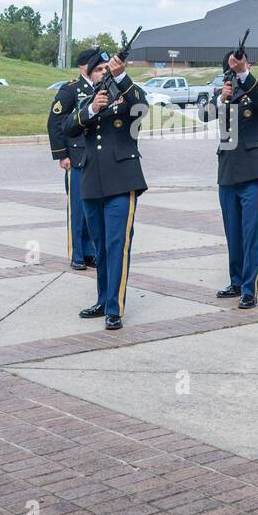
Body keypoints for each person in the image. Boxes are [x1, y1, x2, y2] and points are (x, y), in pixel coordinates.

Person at [62, 49, 148, 330]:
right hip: (91, 182)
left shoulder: (128, 97)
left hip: (122, 181)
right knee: (100, 247)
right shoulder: (89, 101)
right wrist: (91, 109)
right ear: (90, 74)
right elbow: (68, 128)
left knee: (116, 245)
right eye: (97, 69)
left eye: (105, 69)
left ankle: (115, 307)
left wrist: (121, 76)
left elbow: (142, 107)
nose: (102, 73)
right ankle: (102, 299)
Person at [206, 49, 258, 308]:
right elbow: (204, 115)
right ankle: (235, 281)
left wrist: (244, 73)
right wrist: (221, 101)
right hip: (227, 171)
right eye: (232, 70)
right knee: (233, 232)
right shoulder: (223, 94)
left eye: (241, 68)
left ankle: (249, 287)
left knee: (251, 232)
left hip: (254, 171)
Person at [47, 48, 99, 271]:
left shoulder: (103, 88)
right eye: (96, 65)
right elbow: (55, 122)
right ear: (83, 67)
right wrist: (62, 155)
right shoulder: (70, 90)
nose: (101, 69)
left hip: (96, 157)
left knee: (92, 208)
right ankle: (77, 254)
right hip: (76, 157)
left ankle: (90, 252)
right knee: (77, 209)